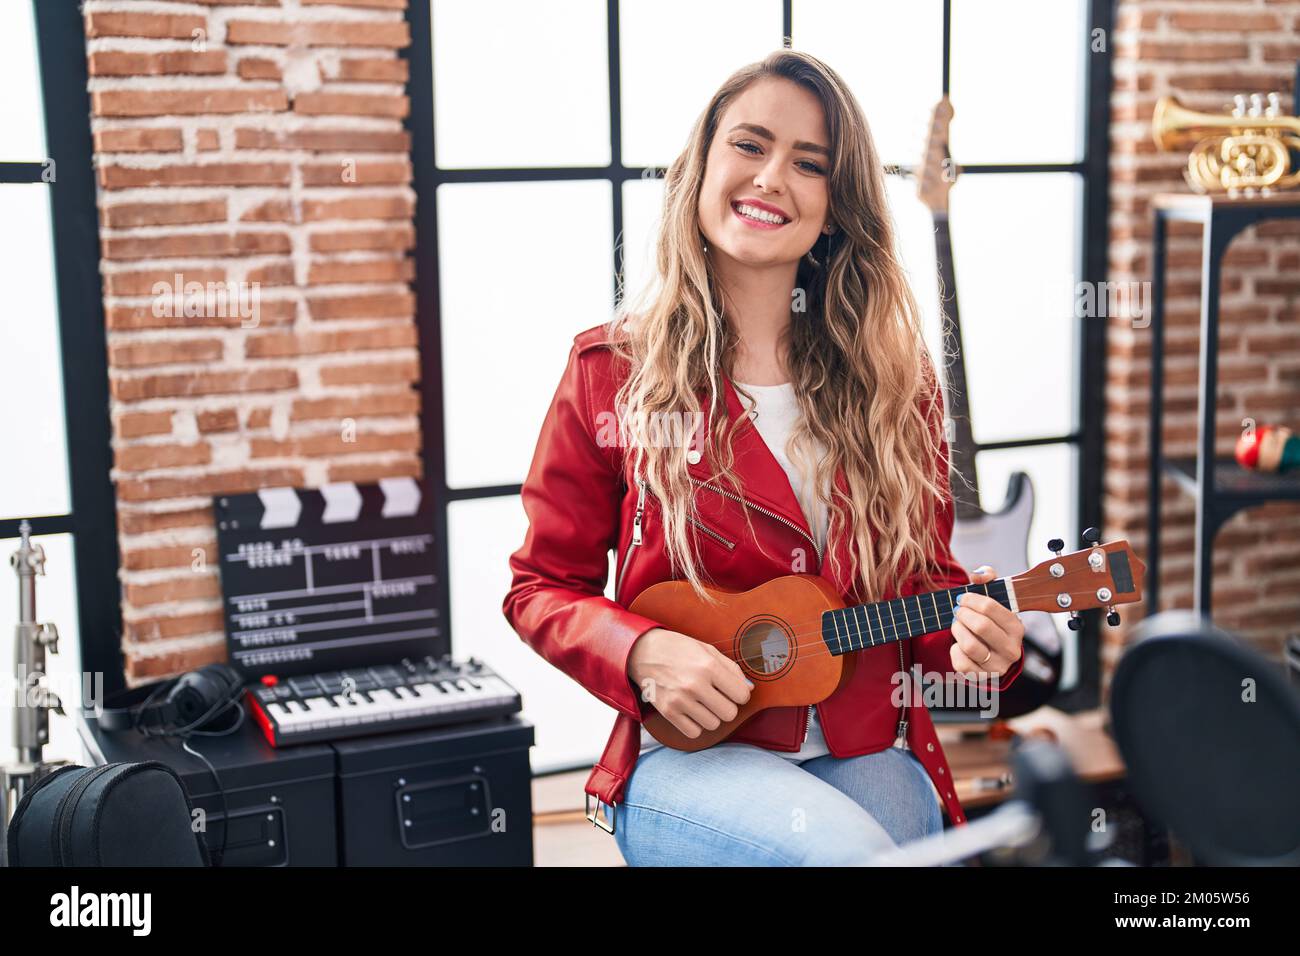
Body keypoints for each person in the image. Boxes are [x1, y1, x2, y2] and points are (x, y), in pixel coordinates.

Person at [503, 49, 1026, 866]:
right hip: (684, 760)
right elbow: (540, 588)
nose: (773, 177)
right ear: (702, 165)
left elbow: (924, 588)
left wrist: (977, 646)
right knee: (854, 854)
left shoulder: (899, 386)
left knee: (910, 838)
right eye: (750, 145)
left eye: (809, 163)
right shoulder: (611, 375)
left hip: (860, 749)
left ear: (835, 204)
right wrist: (637, 651)